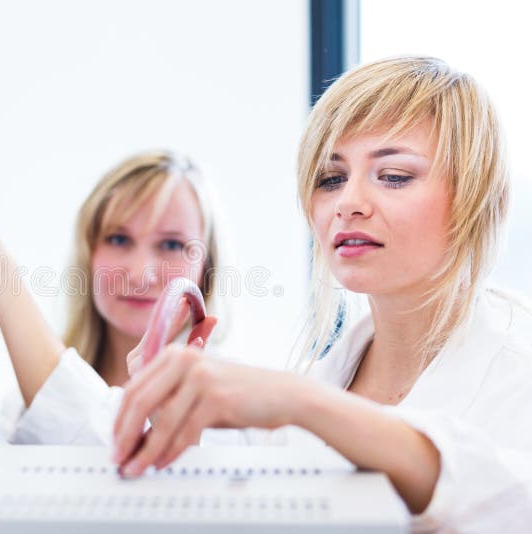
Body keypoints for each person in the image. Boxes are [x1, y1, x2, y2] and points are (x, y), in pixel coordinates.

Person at [112, 57, 532, 531]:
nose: (348, 203)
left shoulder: (518, 381)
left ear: (477, 199)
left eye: (393, 175)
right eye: (331, 179)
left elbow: (499, 499)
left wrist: (301, 403)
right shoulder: (313, 385)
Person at [0, 151, 223, 442]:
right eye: (118, 239)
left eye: (171, 245)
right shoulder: (21, 404)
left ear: (206, 263)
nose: (141, 274)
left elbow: (99, 440)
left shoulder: (228, 406)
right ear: (89, 254)